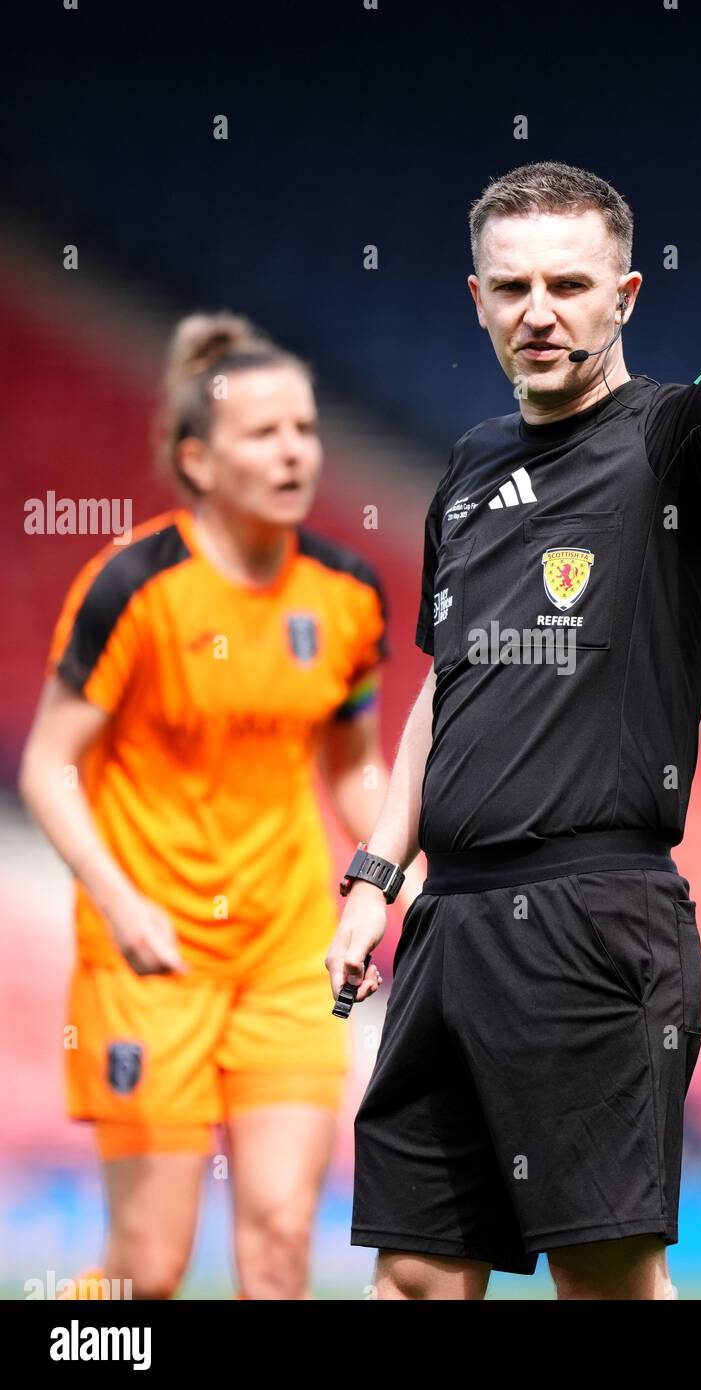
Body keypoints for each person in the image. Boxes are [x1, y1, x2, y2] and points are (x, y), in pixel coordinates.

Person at [326, 157, 701, 1299]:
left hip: (592, 924)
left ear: (624, 298)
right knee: (418, 1278)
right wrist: (378, 880)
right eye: (513, 286)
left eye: (571, 285)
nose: (540, 312)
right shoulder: (472, 469)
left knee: (605, 1282)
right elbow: (449, 685)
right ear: (475, 300)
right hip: (448, 927)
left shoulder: (670, 444)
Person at [19, 311, 410, 1299]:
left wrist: (409, 862)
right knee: (146, 1276)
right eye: (264, 433)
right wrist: (117, 898)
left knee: (281, 1247)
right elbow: (47, 765)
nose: (294, 451)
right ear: (198, 459)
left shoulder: (348, 594)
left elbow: (354, 773)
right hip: (150, 962)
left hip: (287, 961)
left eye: (307, 430)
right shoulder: (134, 587)